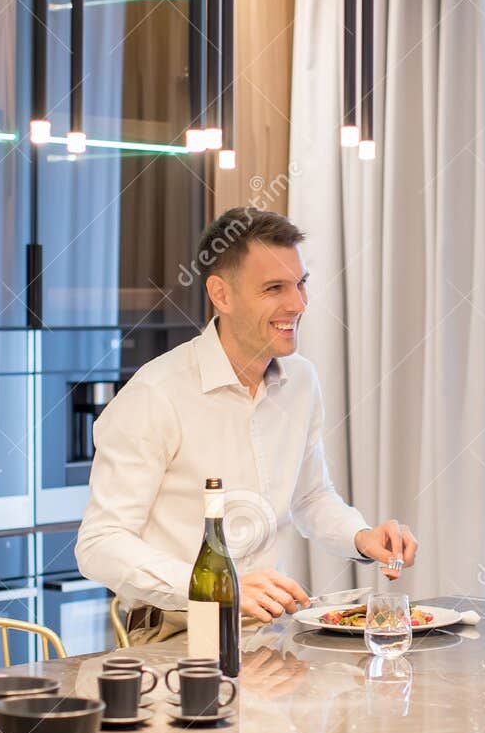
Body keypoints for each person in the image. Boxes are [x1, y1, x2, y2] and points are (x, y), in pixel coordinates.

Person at [75, 207, 418, 643]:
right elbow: (99, 545)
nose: (297, 304)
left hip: (271, 629)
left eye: (301, 284)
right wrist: (214, 588)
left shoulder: (301, 382)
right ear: (221, 293)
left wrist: (362, 537)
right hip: (179, 631)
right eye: (274, 288)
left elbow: (310, 497)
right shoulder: (154, 394)